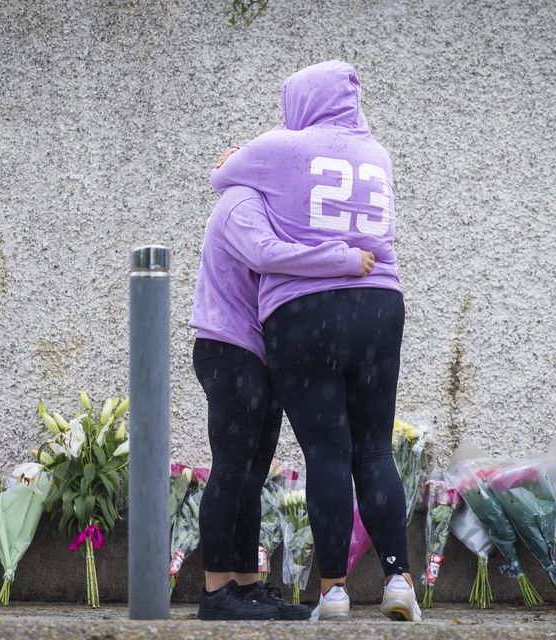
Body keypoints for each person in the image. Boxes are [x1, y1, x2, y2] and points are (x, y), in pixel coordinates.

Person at [209, 60, 419, 622]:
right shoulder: (379, 154)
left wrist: (234, 161)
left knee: (328, 450)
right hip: (380, 300)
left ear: (302, 102)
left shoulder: (283, 146)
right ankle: (400, 579)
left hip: (303, 310)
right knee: (375, 447)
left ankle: (333, 590)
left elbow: (220, 178)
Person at [189, 178, 375, 620]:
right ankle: (216, 594)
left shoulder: (269, 206)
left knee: (253, 474)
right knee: (232, 470)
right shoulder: (242, 203)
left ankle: (246, 587)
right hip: (229, 348)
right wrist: (342, 259)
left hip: (257, 353)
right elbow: (266, 254)